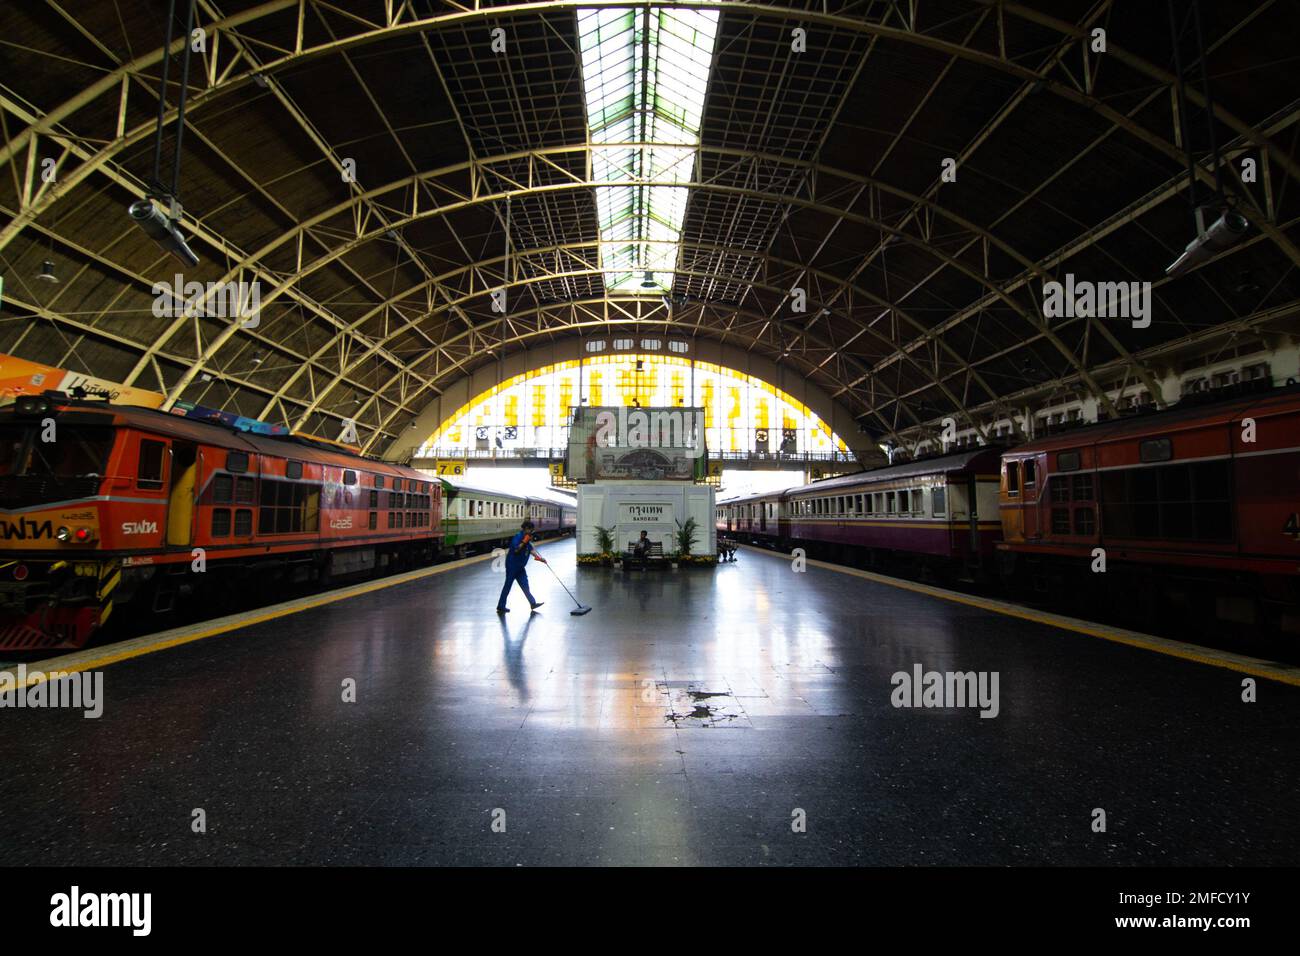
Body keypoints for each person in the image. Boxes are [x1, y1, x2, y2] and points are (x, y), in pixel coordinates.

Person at [497, 519, 546, 613]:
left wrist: (540, 559)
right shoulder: (518, 537)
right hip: (512, 566)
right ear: (526, 529)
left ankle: (533, 603)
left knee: (525, 585)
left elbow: (531, 551)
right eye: (531, 530)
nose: (532, 532)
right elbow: (516, 550)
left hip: (520, 567)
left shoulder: (527, 538)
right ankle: (501, 606)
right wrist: (524, 541)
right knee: (508, 586)